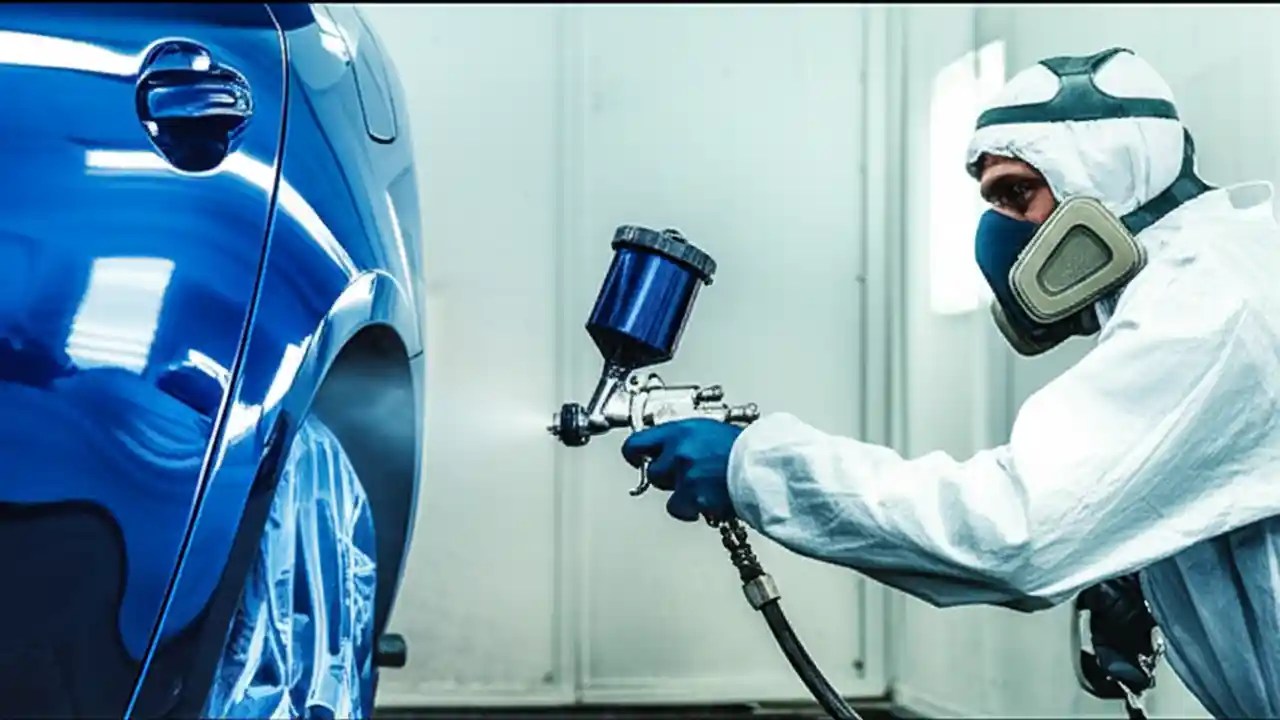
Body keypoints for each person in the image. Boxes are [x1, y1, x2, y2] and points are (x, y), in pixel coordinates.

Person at [621, 47, 1280, 719]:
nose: (999, 232)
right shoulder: (1220, 267)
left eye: (1016, 193)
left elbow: (1014, 529)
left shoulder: (1206, 308)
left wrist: (751, 466)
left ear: (1106, 176)